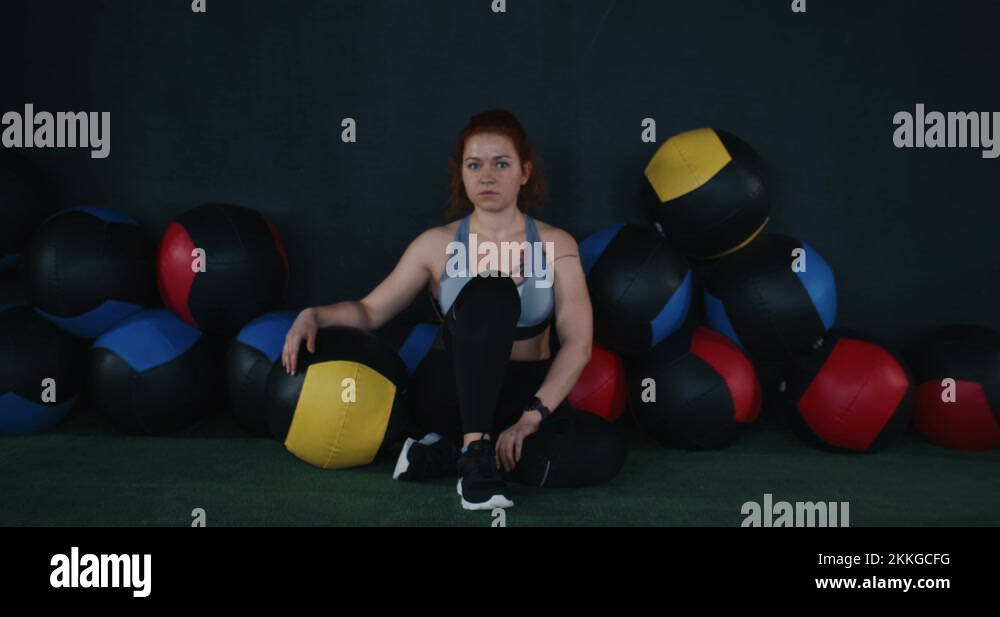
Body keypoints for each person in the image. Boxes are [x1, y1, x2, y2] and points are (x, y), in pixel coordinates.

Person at [282, 109, 625, 511]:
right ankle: (476, 458)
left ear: (524, 172)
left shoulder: (555, 244)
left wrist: (532, 418)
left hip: (523, 394)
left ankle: (446, 457)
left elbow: (578, 343)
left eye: (502, 163)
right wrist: (314, 315)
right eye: (474, 164)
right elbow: (370, 311)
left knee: (606, 450)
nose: (487, 176)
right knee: (493, 289)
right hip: (451, 394)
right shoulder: (436, 244)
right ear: (461, 173)